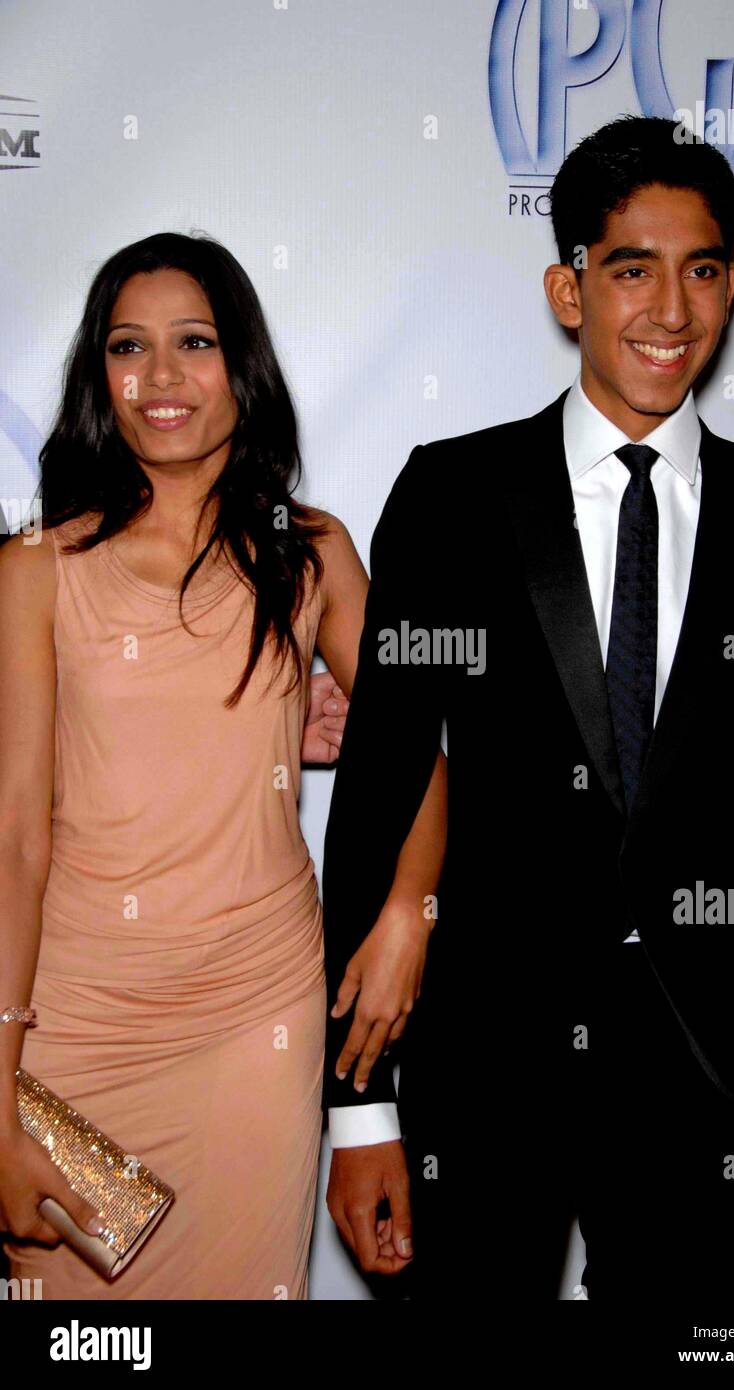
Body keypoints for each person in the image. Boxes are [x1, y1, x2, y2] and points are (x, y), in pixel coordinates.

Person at [322, 116, 734, 1300]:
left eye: (701, 269)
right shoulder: (455, 495)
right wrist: (359, 1110)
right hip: (485, 1061)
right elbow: (383, 784)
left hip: (702, 1067)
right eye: (630, 269)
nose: (670, 309)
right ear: (568, 288)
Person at [0, 232, 446, 1299]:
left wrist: (404, 914)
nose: (159, 378)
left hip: (258, 1014)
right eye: (127, 346)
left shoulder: (312, 553)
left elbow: (414, 750)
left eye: (192, 343)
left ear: (240, 365)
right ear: (98, 377)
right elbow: (15, 834)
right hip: (76, 1025)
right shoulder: (35, 568)